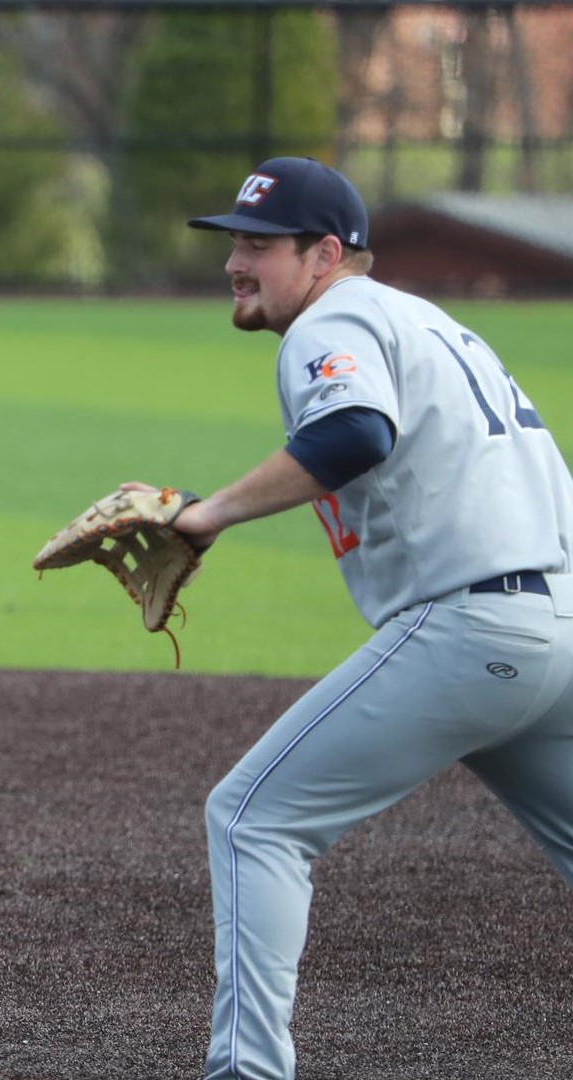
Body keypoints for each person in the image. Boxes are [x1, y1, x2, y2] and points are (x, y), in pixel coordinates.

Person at [147, 156, 573, 1079]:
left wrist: (209, 513)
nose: (237, 262)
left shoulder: (332, 319)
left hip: (470, 633)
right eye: (234, 243)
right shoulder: (434, 326)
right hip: (556, 634)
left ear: (326, 253)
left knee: (252, 819)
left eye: (259, 245)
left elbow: (354, 433)